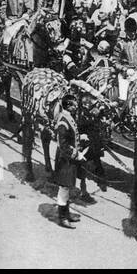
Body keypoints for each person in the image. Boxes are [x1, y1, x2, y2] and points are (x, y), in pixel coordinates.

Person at [52, 93, 85, 228]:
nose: (76, 107)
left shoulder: (68, 117)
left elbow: (71, 136)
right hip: (64, 160)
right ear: (69, 106)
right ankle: (62, 217)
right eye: (74, 105)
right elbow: (63, 145)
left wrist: (81, 137)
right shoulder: (63, 121)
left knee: (67, 187)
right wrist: (77, 155)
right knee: (63, 188)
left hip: (68, 160)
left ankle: (66, 214)